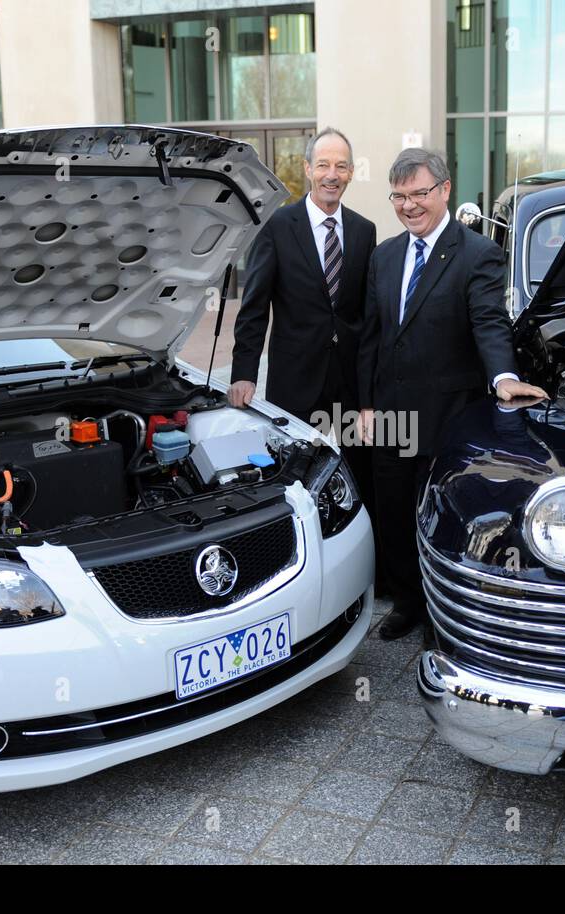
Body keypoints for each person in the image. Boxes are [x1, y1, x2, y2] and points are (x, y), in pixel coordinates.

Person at [358, 148, 547, 640]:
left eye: (419, 194)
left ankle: (444, 616)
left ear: (444, 190)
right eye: (399, 196)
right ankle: (406, 602)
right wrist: (365, 405)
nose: (408, 206)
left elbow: (489, 323)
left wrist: (504, 379)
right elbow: (372, 339)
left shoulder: (477, 253)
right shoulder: (384, 255)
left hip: (447, 416)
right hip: (391, 419)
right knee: (396, 515)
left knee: (444, 520)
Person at [228, 127, 377, 430]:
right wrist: (244, 373)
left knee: (358, 472)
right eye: (323, 164)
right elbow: (254, 307)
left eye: (341, 166)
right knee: (297, 471)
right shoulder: (277, 227)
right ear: (308, 168)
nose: (331, 175)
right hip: (295, 382)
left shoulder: (364, 231)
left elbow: (367, 313)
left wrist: (370, 392)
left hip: (351, 384)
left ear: (350, 172)